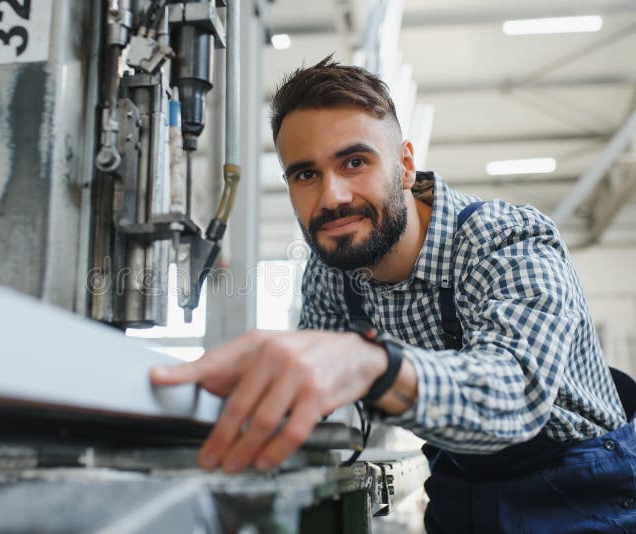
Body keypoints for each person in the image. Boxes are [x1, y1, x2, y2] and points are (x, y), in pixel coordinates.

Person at [150, 57, 636, 532]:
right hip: (462, 492)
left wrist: (373, 364)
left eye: (354, 161)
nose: (332, 197)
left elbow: (516, 392)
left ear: (405, 165)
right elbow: (314, 389)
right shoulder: (332, 267)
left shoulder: (508, 241)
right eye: (306, 174)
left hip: (585, 492)